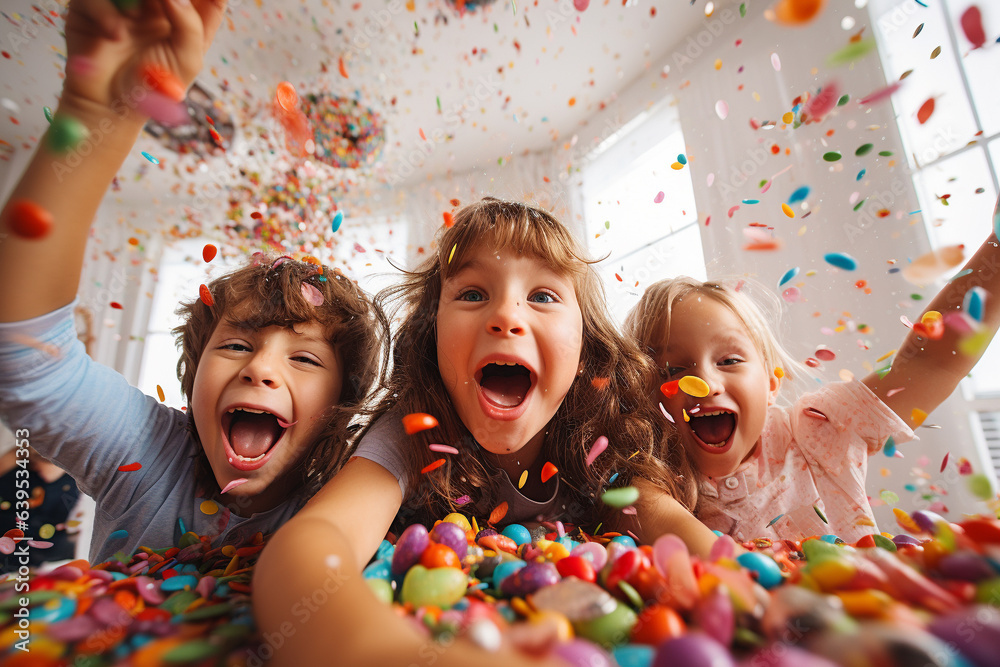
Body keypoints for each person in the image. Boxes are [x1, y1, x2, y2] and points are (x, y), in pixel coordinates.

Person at [0, 0, 388, 563]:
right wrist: (95, 111)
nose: (259, 368)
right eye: (234, 346)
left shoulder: (354, 494)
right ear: (194, 371)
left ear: (340, 407)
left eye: (305, 360)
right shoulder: (147, 451)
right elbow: (21, 355)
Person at [253, 197, 719, 666]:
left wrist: (735, 587)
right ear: (430, 335)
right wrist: (379, 647)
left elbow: (671, 526)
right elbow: (310, 545)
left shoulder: (603, 432)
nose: (507, 317)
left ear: (586, 348)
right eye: (473, 294)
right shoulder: (413, 430)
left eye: (542, 296)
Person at [624, 218, 1000, 544]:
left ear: (772, 385)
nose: (704, 383)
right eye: (672, 371)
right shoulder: (652, 480)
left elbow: (928, 363)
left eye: (730, 360)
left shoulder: (818, 430)